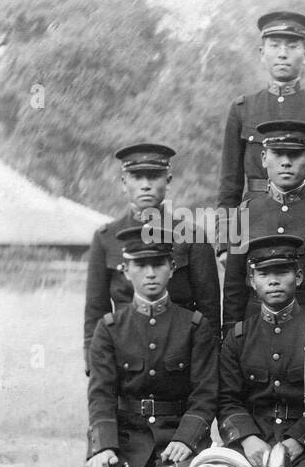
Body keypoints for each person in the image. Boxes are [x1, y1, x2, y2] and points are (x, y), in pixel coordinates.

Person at [68, 224, 217, 467]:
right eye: (141, 265)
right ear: (125, 270)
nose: (150, 273)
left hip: (175, 440)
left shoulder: (194, 326)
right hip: (125, 442)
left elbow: (205, 393)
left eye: (158, 264)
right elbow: (101, 393)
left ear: (171, 269)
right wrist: (104, 444)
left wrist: (186, 438)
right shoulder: (110, 328)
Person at [84, 143, 219, 367]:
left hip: (180, 357)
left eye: (154, 176)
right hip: (124, 356)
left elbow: (209, 309)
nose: (145, 185)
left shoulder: (192, 235)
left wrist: (210, 361)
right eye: (136, 176)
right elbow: (96, 309)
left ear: (168, 181)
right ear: (123, 182)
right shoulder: (105, 238)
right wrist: (93, 357)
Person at [218, 234, 305, 467]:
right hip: (253, 441)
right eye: (263, 273)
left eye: (282, 272)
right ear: (251, 281)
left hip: (304, 446)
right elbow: (227, 400)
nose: (273, 281)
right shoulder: (238, 337)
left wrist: (298, 440)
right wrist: (248, 439)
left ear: (298, 277)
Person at [221, 119, 305, 326]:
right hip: (255, 328)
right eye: (277, 154)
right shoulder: (244, 214)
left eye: (294, 155)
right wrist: (231, 336)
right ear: (264, 158)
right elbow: (234, 288)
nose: (286, 162)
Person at [216, 11, 305, 218]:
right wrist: (225, 241)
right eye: (275, 45)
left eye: (292, 46)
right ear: (262, 53)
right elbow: (229, 186)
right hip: (254, 219)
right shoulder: (243, 108)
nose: (283, 54)